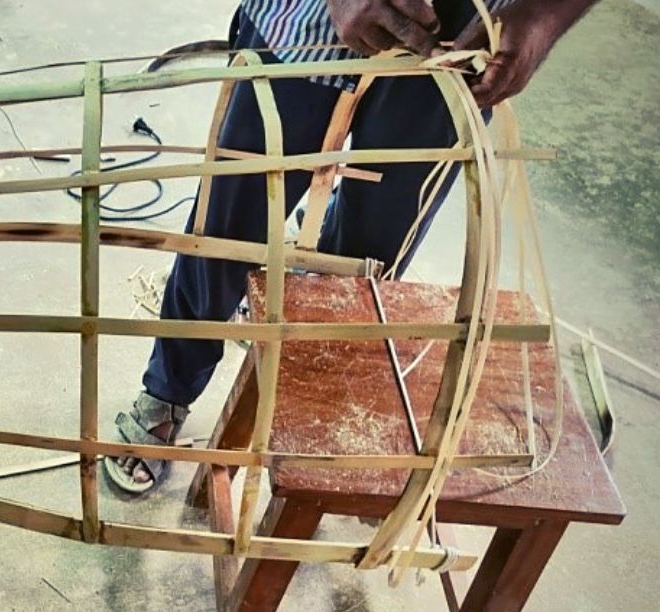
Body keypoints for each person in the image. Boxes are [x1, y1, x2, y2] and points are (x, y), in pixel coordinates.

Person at [103, 0, 597, 494]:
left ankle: (309, 419)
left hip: (460, 51)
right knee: (227, 227)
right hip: (301, 24)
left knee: (364, 266)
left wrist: (543, 15)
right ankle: (167, 392)